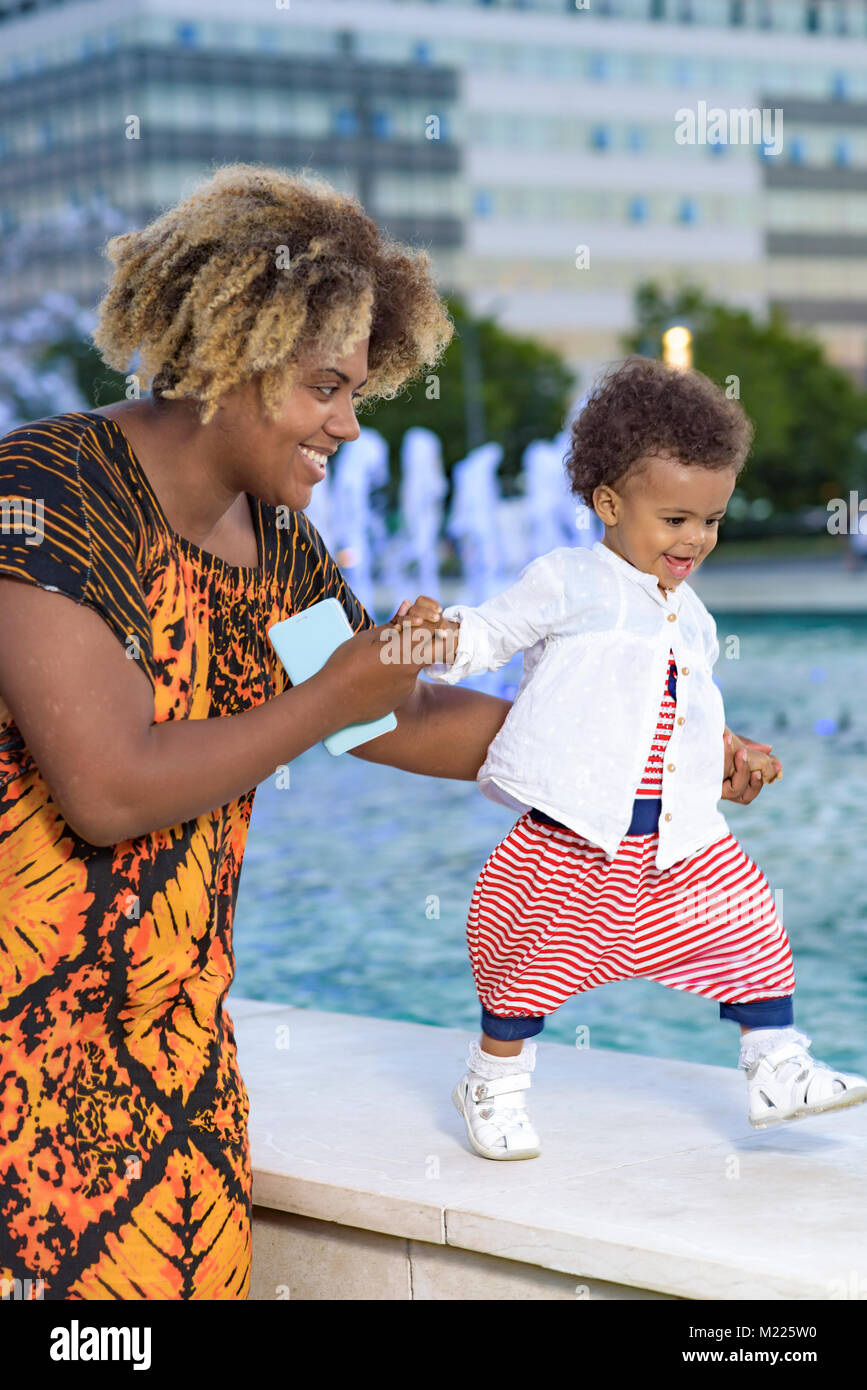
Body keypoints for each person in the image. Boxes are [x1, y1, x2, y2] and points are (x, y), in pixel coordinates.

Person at [0, 163, 515, 1300]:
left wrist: (629, 747)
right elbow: (111, 787)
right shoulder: (43, 490)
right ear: (230, 349)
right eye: (325, 387)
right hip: (17, 1085)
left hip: (177, 1090)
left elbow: (394, 719)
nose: (344, 425)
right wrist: (336, 690)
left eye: (358, 394)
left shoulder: (275, 542)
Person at [404, 356, 867, 1160]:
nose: (695, 540)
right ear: (610, 504)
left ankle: (775, 1066)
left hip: (677, 839)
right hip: (577, 830)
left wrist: (728, 749)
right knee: (526, 960)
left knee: (752, 922)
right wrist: (430, 635)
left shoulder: (688, 614)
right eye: (675, 520)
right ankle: (494, 1082)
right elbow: (489, 633)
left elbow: (679, 706)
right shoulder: (571, 579)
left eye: (711, 521)